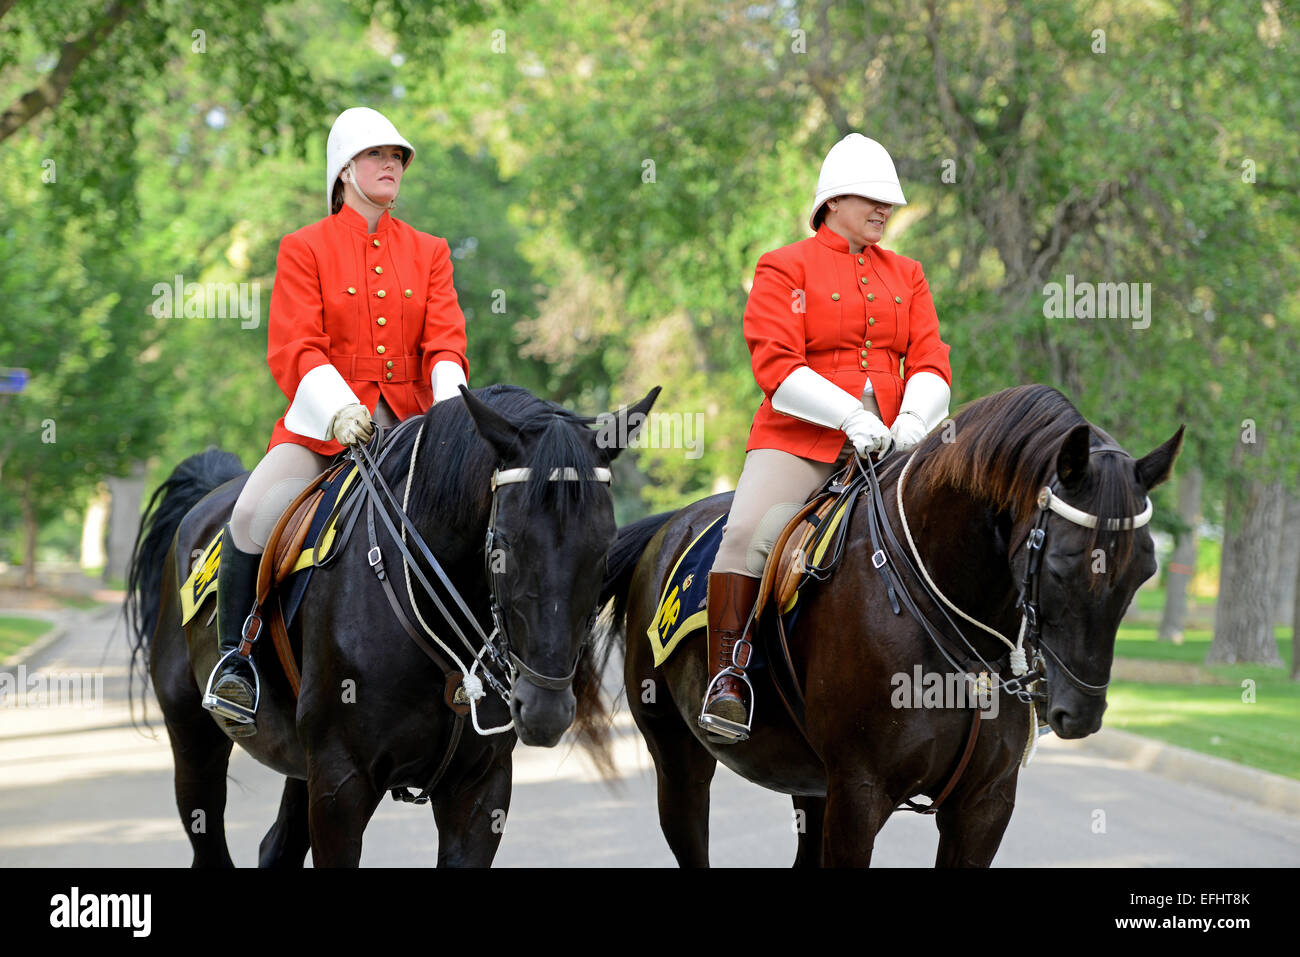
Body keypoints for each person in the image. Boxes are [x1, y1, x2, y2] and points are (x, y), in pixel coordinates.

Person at [202, 107, 470, 735]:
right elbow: (295, 346)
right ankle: (236, 662)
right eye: (378, 155)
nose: (391, 166)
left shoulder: (429, 252)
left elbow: (446, 345)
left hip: (412, 427)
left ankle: (483, 663)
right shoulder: (304, 247)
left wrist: (453, 417)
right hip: (326, 427)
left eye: (398, 157)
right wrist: (338, 406)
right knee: (250, 514)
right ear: (346, 169)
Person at [699, 133, 953, 743]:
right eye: (873, 198)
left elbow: (930, 362)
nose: (885, 210)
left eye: (890, 201)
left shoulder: (908, 275)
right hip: (800, 440)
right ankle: (728, 678)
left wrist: (913, 422)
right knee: (745, 533)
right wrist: (849, 417)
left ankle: (1000, 669)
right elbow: (777, 366)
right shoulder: (784, 266)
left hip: (895, 441)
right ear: (833, 200)